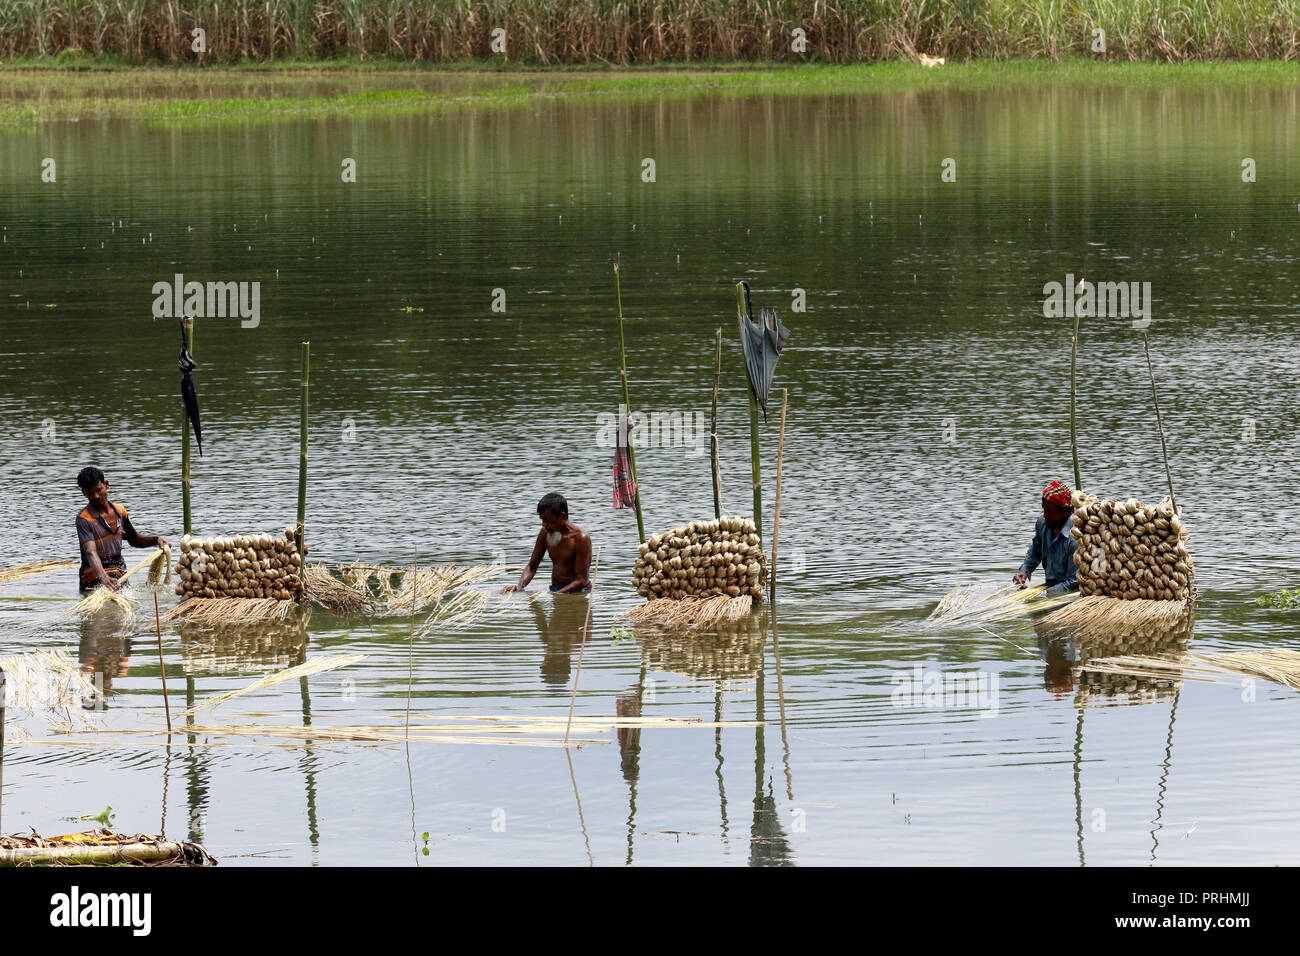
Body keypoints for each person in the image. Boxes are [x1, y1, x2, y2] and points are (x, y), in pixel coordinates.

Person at [76, 467, 169, 591]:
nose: (96, 496)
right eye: (90, 493)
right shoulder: (84, 519)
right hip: (93, 578)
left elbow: (134, 539)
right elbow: (90, 552)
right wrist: (103, 577)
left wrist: (156, 540)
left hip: (119, 574)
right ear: (84, 493)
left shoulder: (120, 512)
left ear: (106, 485)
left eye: (99, 490)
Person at [501, 493, 592, 595]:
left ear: (561, 516)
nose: (543, 524)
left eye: (547, 519)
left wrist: (555, 595)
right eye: (542, 519)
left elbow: (581, 580)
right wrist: (519, 587)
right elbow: (532, 566)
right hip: (556, 590)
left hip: (578, 593)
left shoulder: (580, 539)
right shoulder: (545, 533)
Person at [1012, 480, 1078, 596]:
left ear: (1067, 511)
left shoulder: (1074, 539)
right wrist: (1024, 570)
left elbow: (1073, 582)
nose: (1045, 515)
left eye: (1050, 512)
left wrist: (1043, 595)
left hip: (1069, 593)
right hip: (1051, 587)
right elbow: (1036, 551)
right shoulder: (1043, 525)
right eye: (1044, 510)